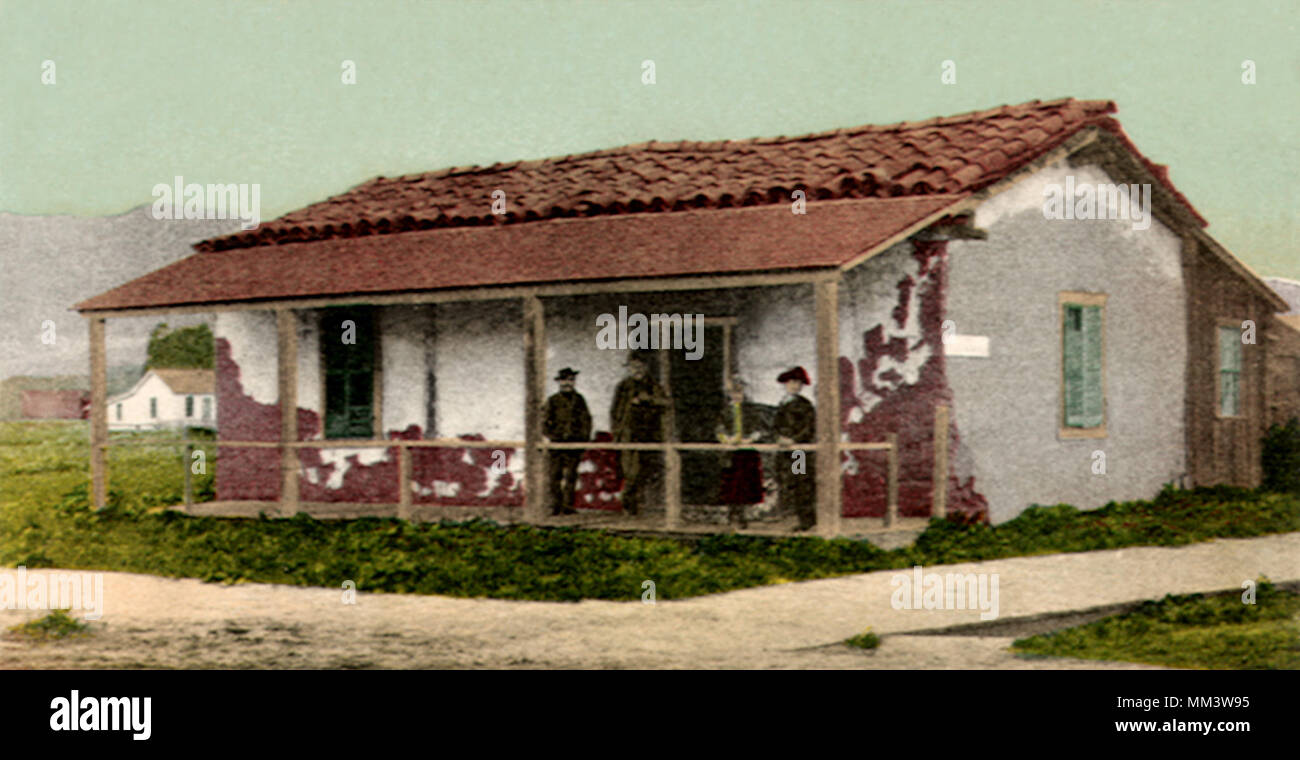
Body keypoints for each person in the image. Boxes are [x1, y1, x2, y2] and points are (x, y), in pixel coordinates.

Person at [610, 352, 669, 516]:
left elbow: (665, 402)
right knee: (631, 471)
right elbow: (615, 412)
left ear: (646, 368)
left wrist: (648, 399)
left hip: (649, 435)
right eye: (633, 367)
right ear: (628, 369)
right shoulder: (623, 387)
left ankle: (638, 504)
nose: (637, 370)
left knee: (646, 471)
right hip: (628, 435)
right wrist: (617, 432)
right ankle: (628, 503)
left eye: (640, 366)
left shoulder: (653, 385)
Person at [715, 378, 766, 529]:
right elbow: (719, 429)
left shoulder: (751, 411)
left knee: (745, 484)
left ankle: (743, 515)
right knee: (731, 484)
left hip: (746, 451)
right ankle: (732, 513)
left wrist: (750, 439)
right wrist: (727, 439)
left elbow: (759, 428)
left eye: (740, 392)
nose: (737, 396)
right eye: (733, 392)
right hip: (731, 453)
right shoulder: (725, 412)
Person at [543, 367, 592, 515]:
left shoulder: (579, 400)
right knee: (554, 476)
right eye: (564, 380)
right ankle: (556, 506)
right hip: (557, 445)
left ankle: (568, 506)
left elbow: (586, 421)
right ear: (559, 382)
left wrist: (583, 440)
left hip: (574, 445)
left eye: (571, 380)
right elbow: (544, 422)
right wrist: (553, 436)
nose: (568, 383)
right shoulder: (552, 401)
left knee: (571, 476)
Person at [773, 366, 816, 531]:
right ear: (786, 383)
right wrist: (779, 438)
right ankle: (790, 518)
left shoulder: (805, 405)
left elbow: (809, 428)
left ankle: (806, 521)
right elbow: (776, 425)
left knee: (802, 484)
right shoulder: (783, 402)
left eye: (798, 383)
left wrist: (793, 440)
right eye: (791, 382)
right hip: (784, 450)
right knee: (787, 482)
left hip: (799, 451)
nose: (794, 386)